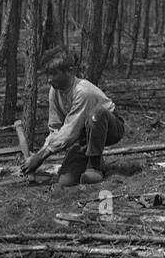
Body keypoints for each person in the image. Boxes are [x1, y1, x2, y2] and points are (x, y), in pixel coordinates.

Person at [21, 48, 125, 186]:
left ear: (70, 72)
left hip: (110, 127)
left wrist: (40, 157)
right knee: (65, 181)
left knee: (97, 115)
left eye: (53, 74)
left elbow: (70, 131)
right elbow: (56, 128)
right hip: (81, 133)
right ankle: (94, 160)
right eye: (47, 74)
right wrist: (40, 153)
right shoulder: (54, 91)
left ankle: (94, 167)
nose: (49, 79)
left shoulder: (83, 91)